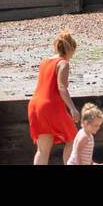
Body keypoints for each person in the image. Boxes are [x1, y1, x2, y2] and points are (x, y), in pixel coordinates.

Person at [29, 31, 81, 164]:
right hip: (50, 106)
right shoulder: (63, 63)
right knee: (74, 139)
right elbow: (61, 87)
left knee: (42, 150)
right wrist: (73, 109)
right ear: (70, 50)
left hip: (35, 105)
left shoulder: (45, 62)